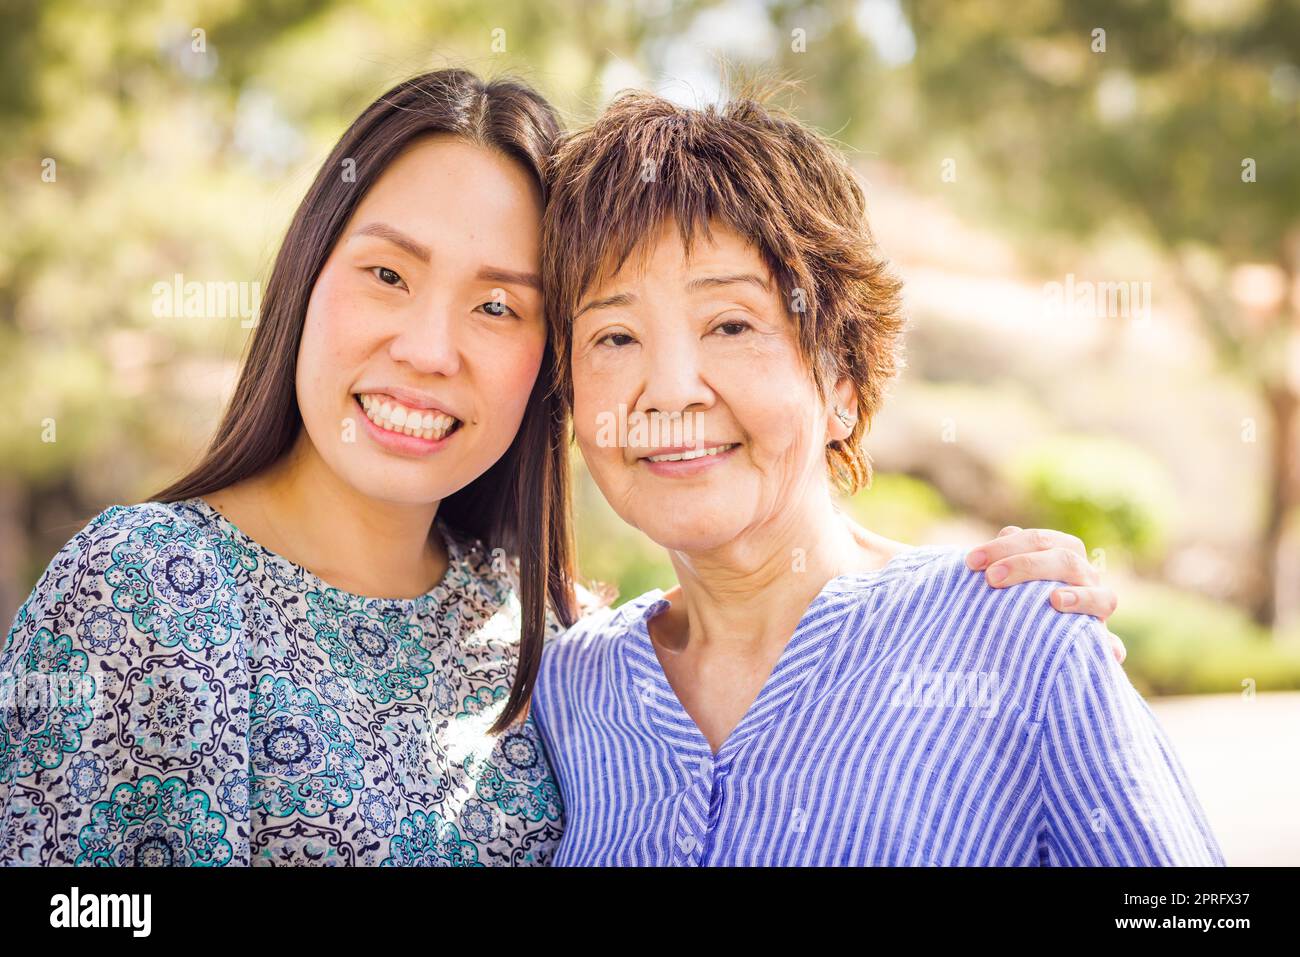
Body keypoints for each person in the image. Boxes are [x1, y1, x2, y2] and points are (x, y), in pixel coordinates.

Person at [2, 70, 1121, 867]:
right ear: (305, 281)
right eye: (387, 275)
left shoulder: (551, 639)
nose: (430, 348)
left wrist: (1002, 613)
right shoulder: (142, 589)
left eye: (499, 305)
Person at [531, 89, 1224, 866]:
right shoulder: (569, 690)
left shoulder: (1014, 634)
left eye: (731, 324)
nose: (670, 388)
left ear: (842, 383)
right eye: (615, 335)